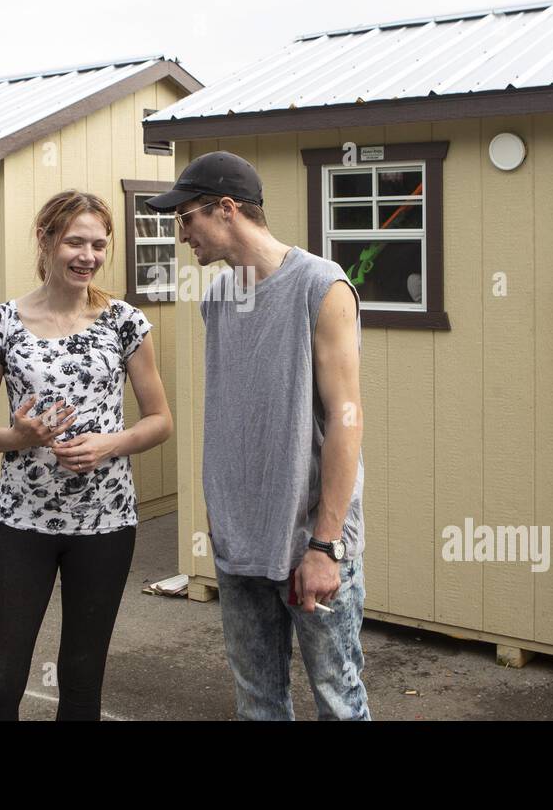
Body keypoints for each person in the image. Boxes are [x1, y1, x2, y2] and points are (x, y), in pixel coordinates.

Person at [145, 151, 369, 720]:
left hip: (307, 538)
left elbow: (347, 419)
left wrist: (326, 545)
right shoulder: (218, 297)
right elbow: (236, 411)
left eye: (186, 218)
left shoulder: (321, 285)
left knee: (338, 700)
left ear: (226, 209)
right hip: (239, 538)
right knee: (257, 702)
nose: (182, 235)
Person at [0, 189, 172, 720]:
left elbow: (160, 420)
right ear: (46, 239)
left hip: (105, 524)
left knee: (81, 681)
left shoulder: (125, 322)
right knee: (0, 680)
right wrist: (17, 437)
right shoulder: (0, 325)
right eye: (75, 241)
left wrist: (111, 443)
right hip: (24, 520)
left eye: (99, 245)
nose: (89, 256)